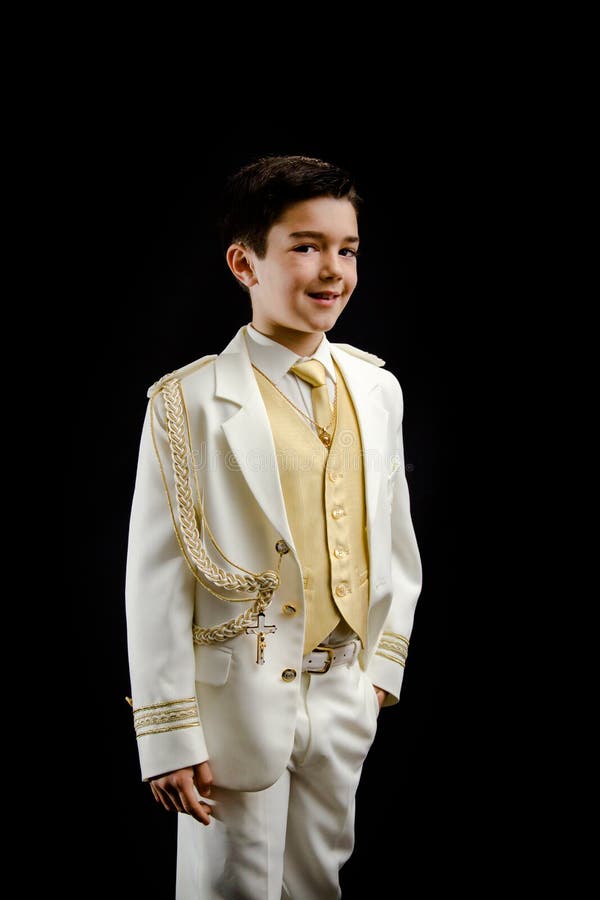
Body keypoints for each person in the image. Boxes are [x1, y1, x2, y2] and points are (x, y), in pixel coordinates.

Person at [125, 154, 422, 898]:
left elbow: (395, 539)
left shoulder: (377, 388)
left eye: (346, 249)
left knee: (318, 880)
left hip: (342, 692)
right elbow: (155, 578)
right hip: (236, 701)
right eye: (305, 246)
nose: (332, 270)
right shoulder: (187, 403)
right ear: (244, 262)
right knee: (231, 885)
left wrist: (379, 673)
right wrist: (167, 735)